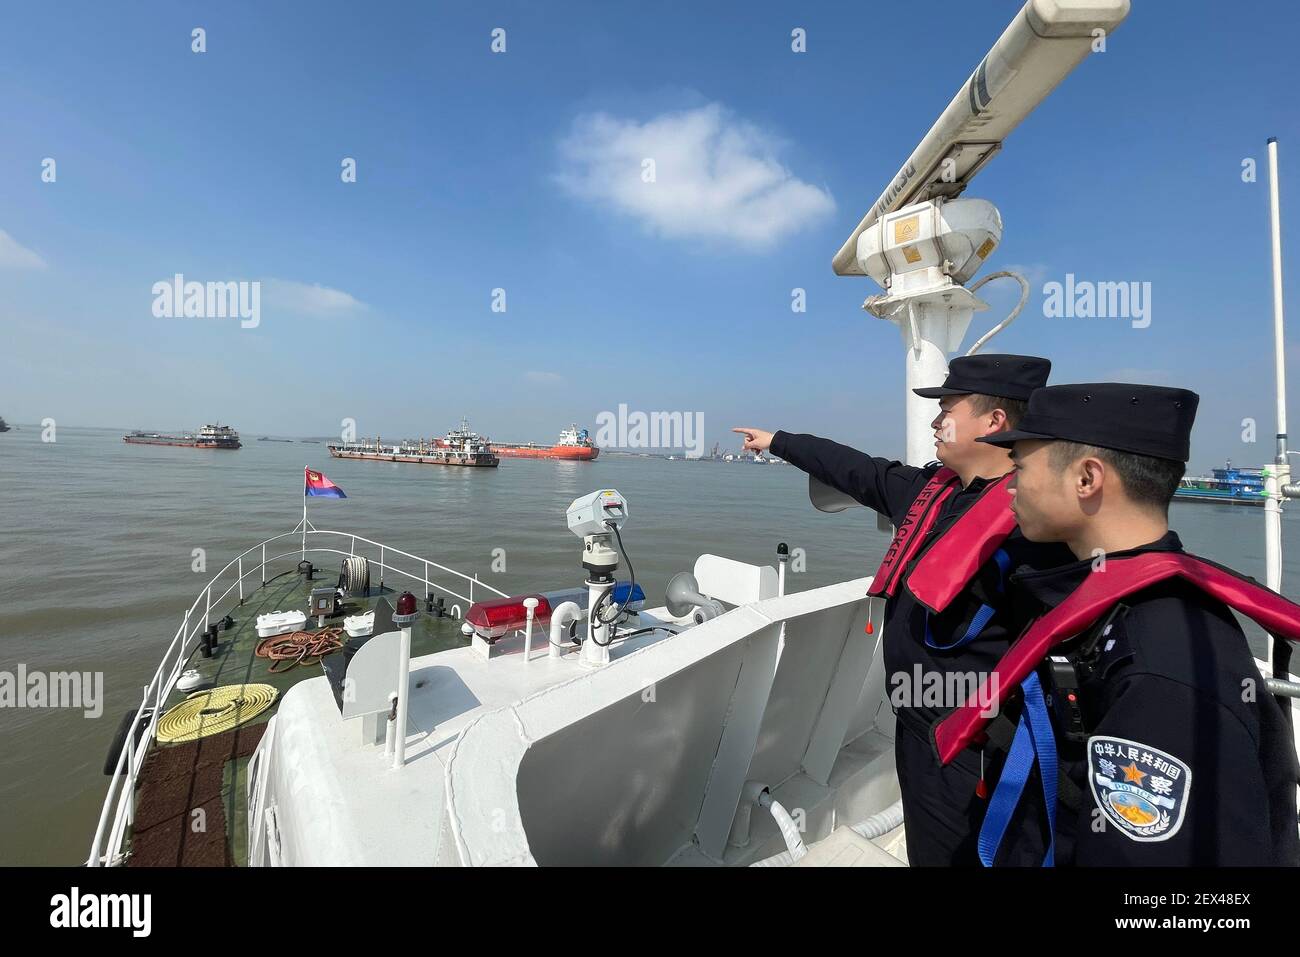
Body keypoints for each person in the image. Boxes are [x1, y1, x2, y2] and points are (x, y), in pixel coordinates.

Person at [933, 382, 1300, 865]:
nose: (1011, 488)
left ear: (1087, 479)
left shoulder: (1159, 666)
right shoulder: (1106, 594)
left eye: (1020, 468)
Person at [734, 354, 1072, 866]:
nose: (937, 421)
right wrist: (779, 441)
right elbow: (857, 471)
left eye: (947, 409)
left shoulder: (1037, 524)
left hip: (976, 736)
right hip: (915, 719)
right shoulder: (931, 492)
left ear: (994, 422)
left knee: (974, 848)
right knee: (930, 839)